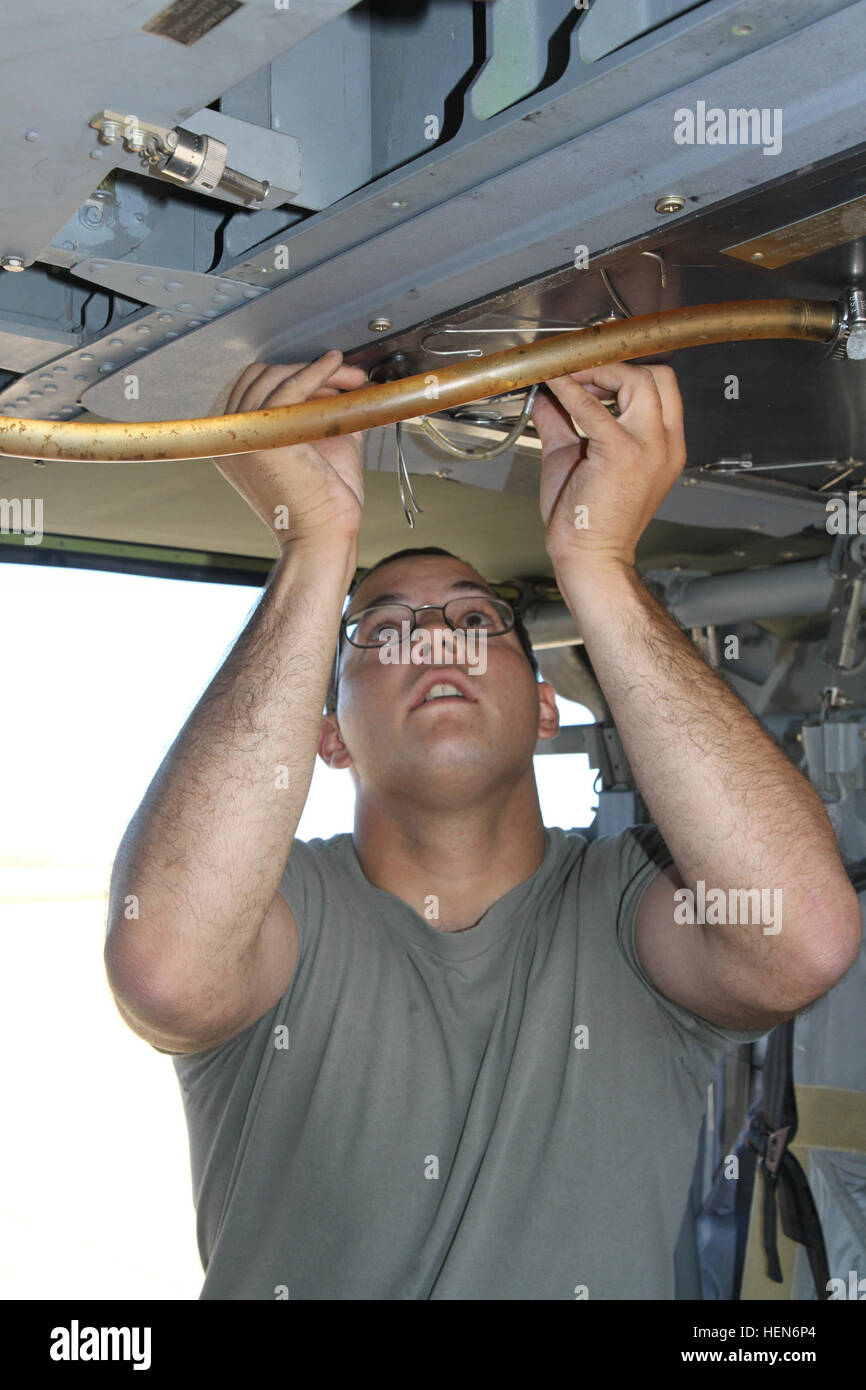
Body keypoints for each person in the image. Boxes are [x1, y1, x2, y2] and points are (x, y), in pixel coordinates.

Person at [105, 349, 862, 1300]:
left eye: (478, 619)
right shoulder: (278, 915)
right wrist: (314, 548)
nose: (437, 639)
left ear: (547, 710)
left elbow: (805, 940)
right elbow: (163, 970)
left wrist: (598, 560)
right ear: (328, 738)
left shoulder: (629, 911)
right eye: (382, 630)